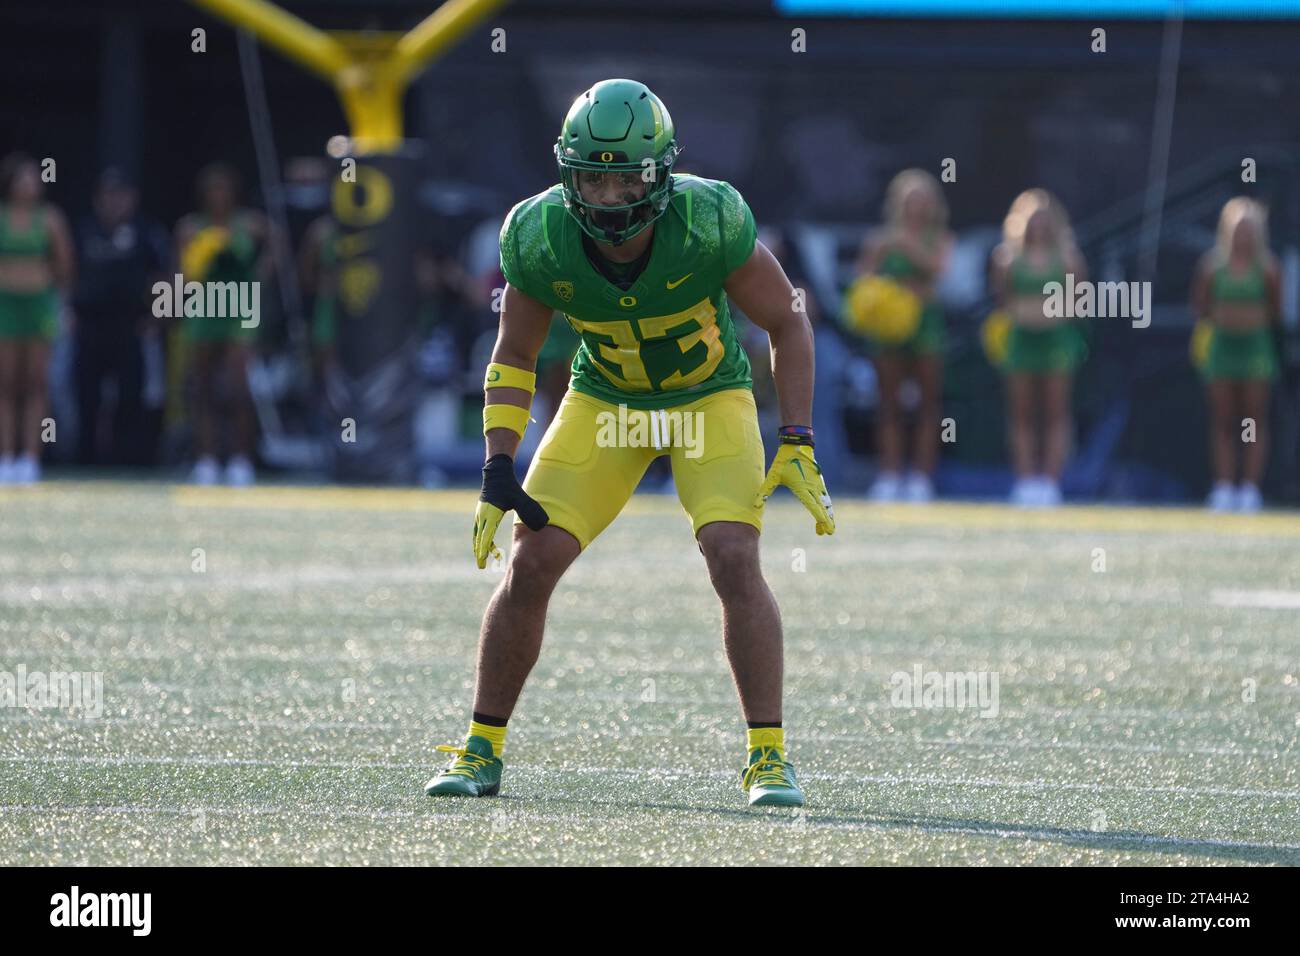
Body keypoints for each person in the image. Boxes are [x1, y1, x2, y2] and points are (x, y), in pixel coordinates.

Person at [423, 78, 834, 808]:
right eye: (592, 176)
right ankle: (481, 748)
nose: (608, 196)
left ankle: (768, 758)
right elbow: (515, 355)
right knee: (533, 555)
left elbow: (789, 322)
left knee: (734, 554)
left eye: (625, 178)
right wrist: (497, 461)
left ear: (661, 176)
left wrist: (796, 437)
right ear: (567, 172)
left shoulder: (710, 219)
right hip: (606, 401)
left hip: (707, 399)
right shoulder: (539, 233)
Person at [852, 169, 951, 502]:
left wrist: (905, 244)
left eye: (922, 201)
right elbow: (863, 278)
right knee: (889, 403)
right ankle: (890, 475)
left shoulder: (937, 237)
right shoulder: (880, 240)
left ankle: (922, 478)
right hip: (888, 329)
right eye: (910, 201)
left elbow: (937, 269)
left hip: (926, 326)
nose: (916, 207)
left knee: (927, 403)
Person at [989, 189, 1088, 507]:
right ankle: (1025, 481)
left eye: (1046, 221)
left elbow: (1078, 303)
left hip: (1055, 342)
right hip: (1021, 342)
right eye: (1033, 221)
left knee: (1055, 413)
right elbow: (1002, 301)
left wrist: (1049, 314)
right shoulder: (1006, 259)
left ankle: (1050, 482)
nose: (1039, 228)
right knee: (1022, 414)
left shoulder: (1069, 259)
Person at [175, 164, 271, 486]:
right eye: (212, 190)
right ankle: (206, 458)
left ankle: (242, 458)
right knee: (203, 389)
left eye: (223, 190)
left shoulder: (250, 224)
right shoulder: (191, 228)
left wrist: (260, 276)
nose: (218, 197)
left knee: (237, 388)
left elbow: (277, 245)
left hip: (241, 307)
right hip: (205, 309)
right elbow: (183, 274)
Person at [72, 168, 170, 466]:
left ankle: (128, 459)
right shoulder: (83, 231)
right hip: (89, 326)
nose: (113, 202)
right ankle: (84, 458)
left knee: (131, 395)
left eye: (120, 195)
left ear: (132, 199)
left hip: (131, 327)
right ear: (97, 199)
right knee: (86, 395)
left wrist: (157, 318)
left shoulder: (147, 233)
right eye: (107, 195)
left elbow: (165, 277)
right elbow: (66, 272)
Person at [1190, 197, 1280, 512]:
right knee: (1225, 421)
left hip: (1255, 350)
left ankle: (1249, 490)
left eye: (1249, 229)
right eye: (1238, 229)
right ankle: (1225, 487)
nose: (1243, 236)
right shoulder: (1212, 267)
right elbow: (1201, 308)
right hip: (1222, 351)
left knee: (1253, 420)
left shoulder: (1268, 267)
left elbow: (1274, 310)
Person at [0, 153, 75, 484]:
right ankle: (6, 455)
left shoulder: (50, 220)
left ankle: (31, 457)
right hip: (5, 306)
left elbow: (65, 268)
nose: (30, 185)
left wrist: (58, 303)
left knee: (35, 383)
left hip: (39, 307)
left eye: (35, 179)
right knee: (6, 383)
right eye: (23, 179)